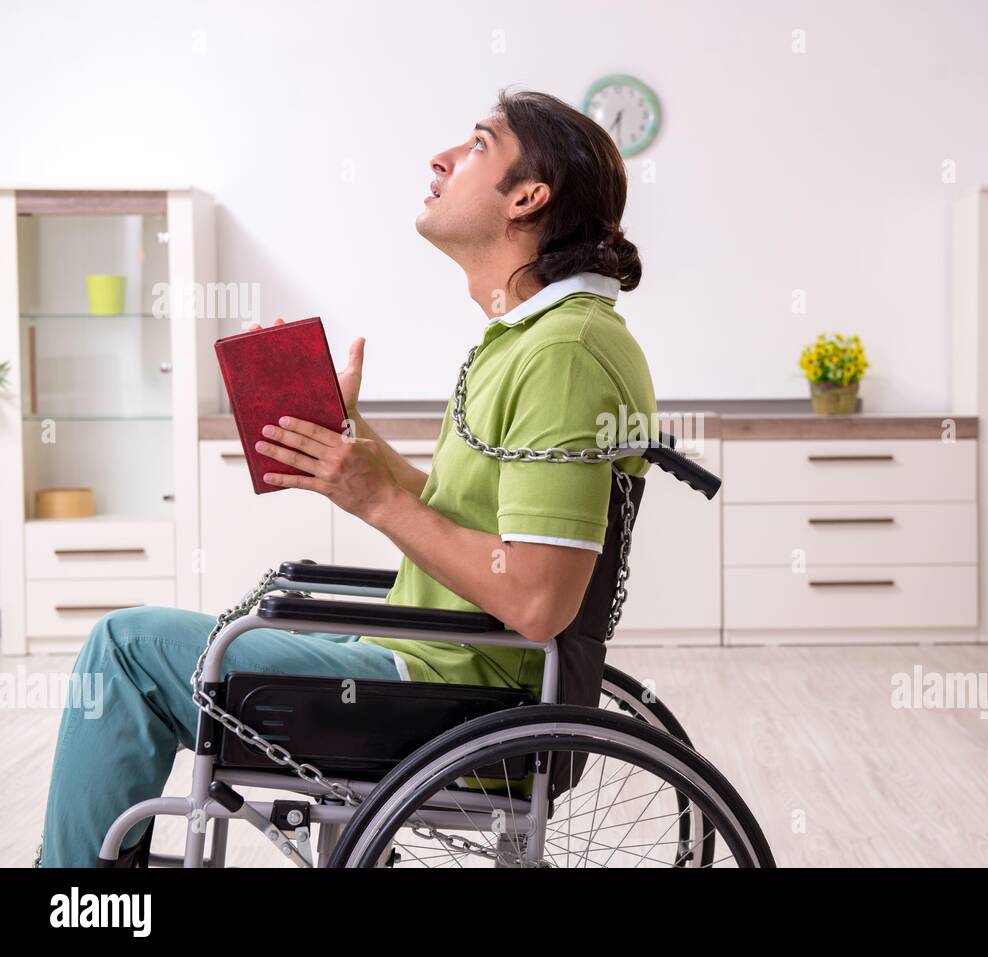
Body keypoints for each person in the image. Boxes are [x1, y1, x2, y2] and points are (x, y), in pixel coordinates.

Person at [37, 89, 656, 867]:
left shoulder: (564, 352)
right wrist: (349, 442)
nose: (440, 159)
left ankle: (74, 897)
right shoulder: (532, 338)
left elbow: (536, 598)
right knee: (180, 636)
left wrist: (376, 496)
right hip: (436, 671)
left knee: (124, 645)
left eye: (475, 144)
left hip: (457, 701)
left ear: (529, 197)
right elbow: (473, 523)